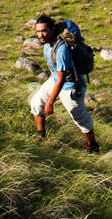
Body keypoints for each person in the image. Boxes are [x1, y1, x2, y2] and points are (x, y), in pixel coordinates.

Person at [29, 14, 99, 153]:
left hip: (70, 86)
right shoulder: (47, 43)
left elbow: (62, 79)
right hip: (55, 80)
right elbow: (57, 75)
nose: (41, 35)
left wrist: (50, 102)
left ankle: (92, 146)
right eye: (38, 31)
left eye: (44, 31)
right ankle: (40, 137)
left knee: (80, 119)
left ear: (52, 29)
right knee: (36, 103)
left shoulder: (61, 49)